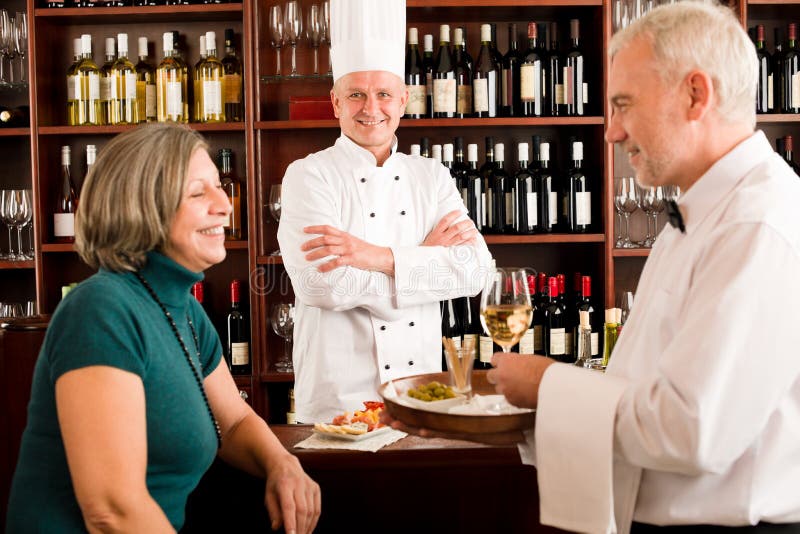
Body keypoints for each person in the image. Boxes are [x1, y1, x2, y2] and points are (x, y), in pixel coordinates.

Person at [385, 2, 800, 533]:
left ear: (696, 94)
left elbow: (693, 430)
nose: (612, 132)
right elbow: (641, 398)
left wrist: (549, 385)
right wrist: (492, 422)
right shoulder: (700, 212)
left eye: (625, 104)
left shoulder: (755, 225)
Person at [6, 123, 320, 534]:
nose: (225, 205)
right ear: (140, 207)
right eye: (197, 192)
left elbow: (235, 421)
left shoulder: (185, 309)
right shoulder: (102, 309)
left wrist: (282, 463)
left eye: (219, 187)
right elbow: (112, 510)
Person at [277, 0, 492, 424]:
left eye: (383, 94)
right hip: (338, 401)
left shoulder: (432, 176)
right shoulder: (308, 175)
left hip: (421, 395)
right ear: (336, 102)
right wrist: (423, 258)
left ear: (404, 100)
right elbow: (322, 288)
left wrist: (376, 257)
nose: (370, 108)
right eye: (356, 94)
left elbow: (476, 271)